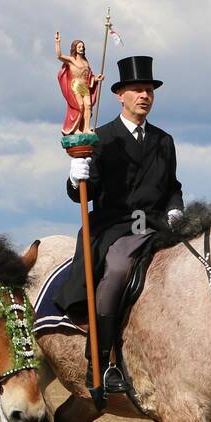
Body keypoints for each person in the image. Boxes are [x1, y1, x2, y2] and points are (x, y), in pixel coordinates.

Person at [58, 55, 184, 394]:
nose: (145, 96)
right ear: (120, 95)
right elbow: (85, 193)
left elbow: (172, 187)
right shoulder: (100, 137)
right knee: (116, 270)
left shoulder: (164, 141)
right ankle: (101, 360)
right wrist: (76, 177)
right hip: (116, 225)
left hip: (157, 224)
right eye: (138, 91)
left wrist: (176, 211)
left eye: (149, 91)